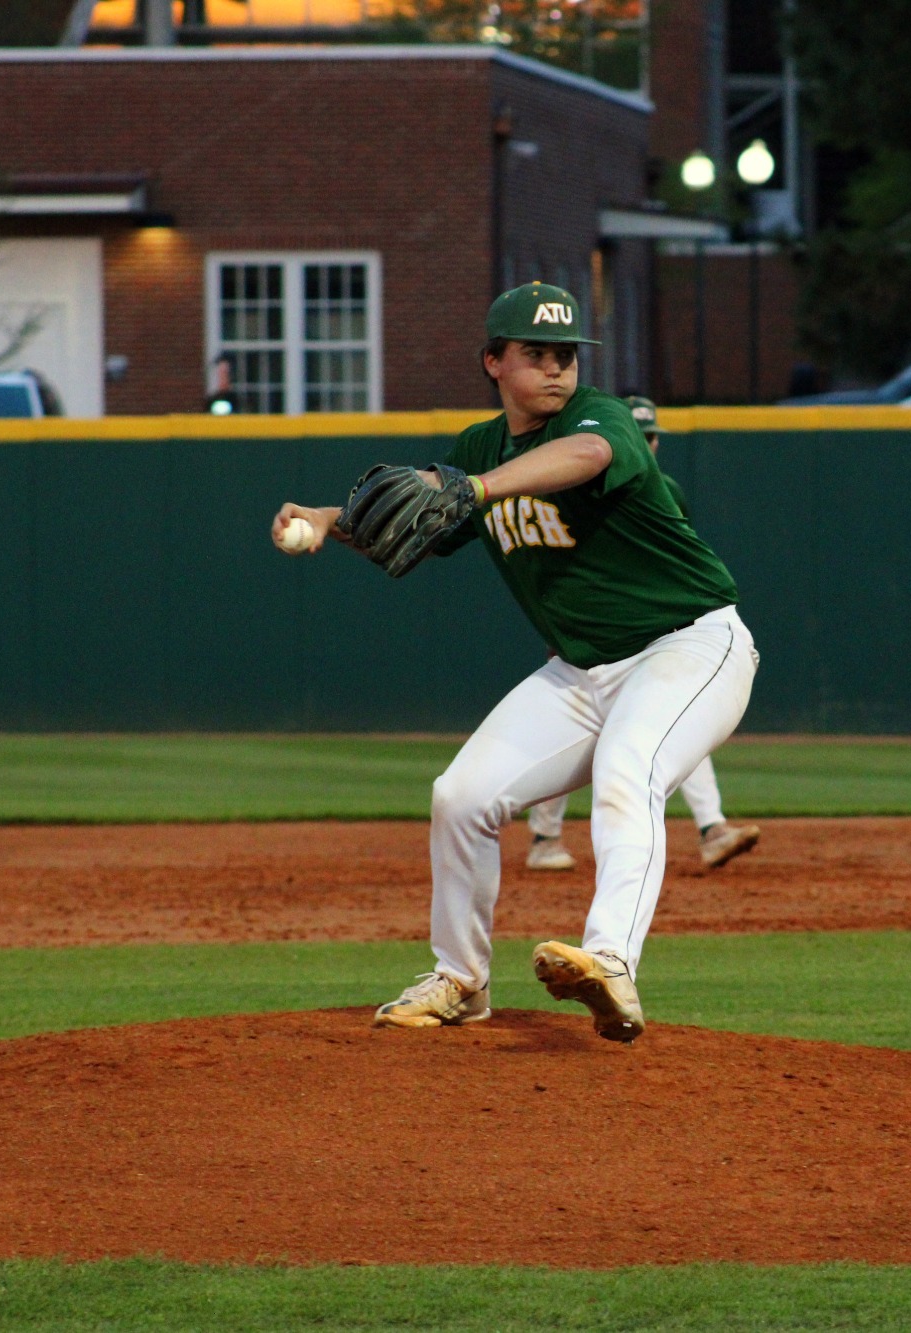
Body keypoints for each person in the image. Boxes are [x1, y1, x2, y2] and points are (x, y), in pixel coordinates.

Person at [269, 282, 758, 1040]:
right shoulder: (479, 448)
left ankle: (611, 964)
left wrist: (478, 487)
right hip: (580, 671)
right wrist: (325, 516)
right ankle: (461, 980)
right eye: (535, 355)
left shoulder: (601, 418)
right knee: (461, 796)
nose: (557, 369)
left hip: (690, 644)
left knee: (631, 768)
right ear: (494, 361)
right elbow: (423, 498)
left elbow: (586, 455)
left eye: (565, 355)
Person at [524, 395, 762, 874]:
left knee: (675, 725)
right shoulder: (568, 488)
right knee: (572, 735)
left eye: (652, 436)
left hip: (652, 631)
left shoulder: (666, 489)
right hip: (591, 633)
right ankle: (544, 835)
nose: (649, 445)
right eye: (640, 435)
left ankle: (712, 828)